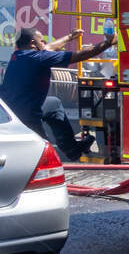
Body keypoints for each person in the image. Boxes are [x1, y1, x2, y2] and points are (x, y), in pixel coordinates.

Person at [0, 26, 116, 160]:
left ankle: (72, 149)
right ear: (33, 44)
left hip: (11, 110)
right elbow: (80, 55)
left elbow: (48, 47)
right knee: (41, 155)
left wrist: (70, 37)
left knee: (53, 103)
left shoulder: (18, 56)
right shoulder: (37, 58)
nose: (44, 43)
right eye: (41, 41)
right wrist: (108, 43)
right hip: (27, 115)